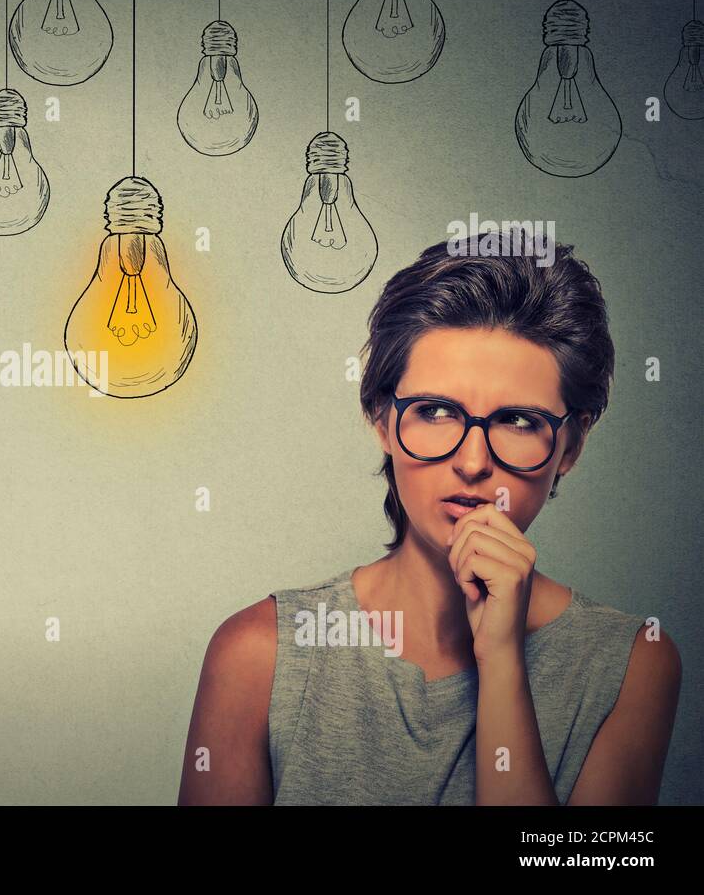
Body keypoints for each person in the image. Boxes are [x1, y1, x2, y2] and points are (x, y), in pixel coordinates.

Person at [178, 232, 681, 805]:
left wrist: (502, 663)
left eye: (517, 421)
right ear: (381, 419)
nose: (472, 462)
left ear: (571, 444)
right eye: (435, 411)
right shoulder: (259, 655)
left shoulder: (632, 663)